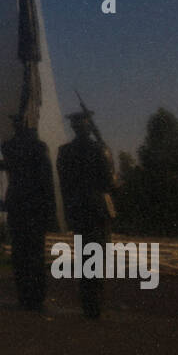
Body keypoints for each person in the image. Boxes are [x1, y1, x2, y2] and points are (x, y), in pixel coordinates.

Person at [56, 111, 115, 318]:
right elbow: (110, 181)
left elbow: (64, 184)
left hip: (78, 208)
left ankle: (87, 301)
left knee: (83, 257)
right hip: (97, 209)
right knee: (98, 256)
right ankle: (96, 304)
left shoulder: (64, 151)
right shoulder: (99, 149)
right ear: (89, 127)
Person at [2, 115, 56, 310]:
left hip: (18, 203)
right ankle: (35, 296)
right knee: (34, 253)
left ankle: (24, 295)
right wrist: (50, 209)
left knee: (21, 253)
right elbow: (46, 180)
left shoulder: (10, 147)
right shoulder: (38, 147)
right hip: (33, 205)